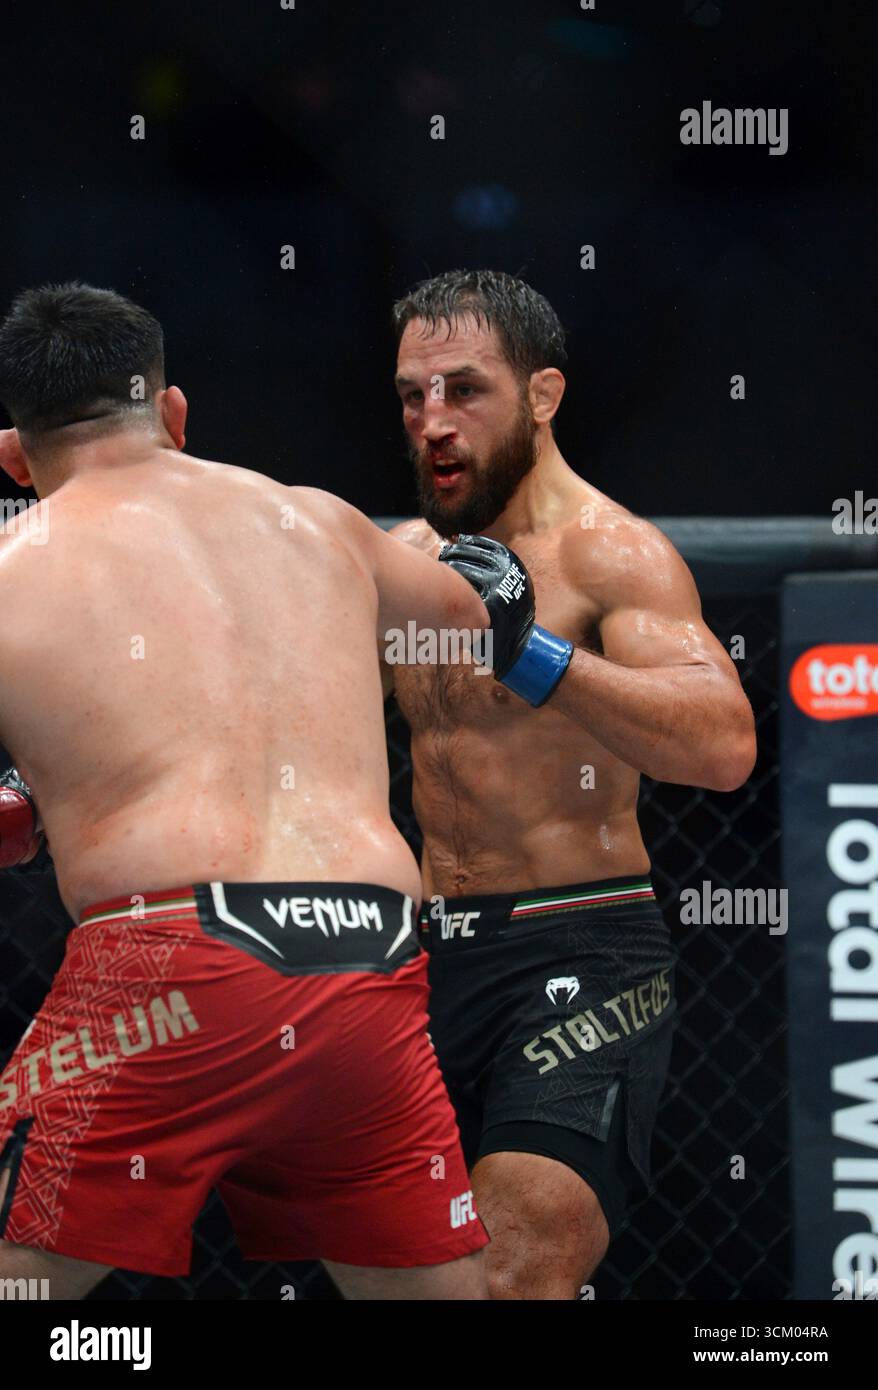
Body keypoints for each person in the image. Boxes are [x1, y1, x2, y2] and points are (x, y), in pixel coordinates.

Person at [0, 281, 532, 1300]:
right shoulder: (318, 521)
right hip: (369, 961)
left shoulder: (15, 566)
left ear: (15, 461)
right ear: (173, 413)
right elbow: (488, 615)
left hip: (166, 967)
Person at [384, 268, 758, 1299]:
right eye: (413, 395)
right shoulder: (407, 558)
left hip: (577, 943)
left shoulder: (610, 553)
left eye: (464, 390)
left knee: (514, 1267)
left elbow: (721, 745)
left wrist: (529, 652)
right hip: (413, 959)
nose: (432, 421)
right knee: (411, 1280)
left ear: (542, 395)